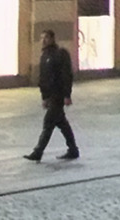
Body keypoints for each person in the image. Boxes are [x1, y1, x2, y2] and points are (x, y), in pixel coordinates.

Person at [25, 29, 79, 161]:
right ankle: (73, 149)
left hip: (58, 94)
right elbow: (43, 78)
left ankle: (38, 152)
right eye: (42, 38)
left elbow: (66, 76)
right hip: (50, 95)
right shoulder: (44, 56)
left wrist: (67, 95)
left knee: (48, 123)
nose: (43, 41)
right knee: (61, 123)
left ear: (52, 39)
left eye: (46, 38)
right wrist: (44, 97)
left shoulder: (60, 54)